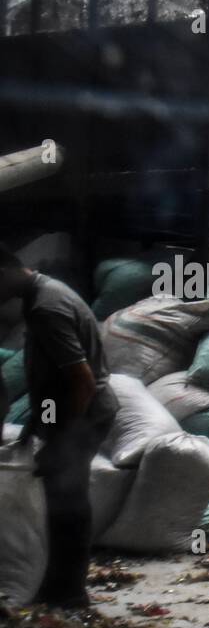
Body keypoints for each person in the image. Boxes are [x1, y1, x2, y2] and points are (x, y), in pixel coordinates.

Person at [0, 245, 118, 607]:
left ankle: (69, 591)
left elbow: (80, 381)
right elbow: (54, 378)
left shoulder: (46, 308)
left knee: (68, 501)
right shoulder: (45, 294)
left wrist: (61, 438)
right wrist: (39, 424)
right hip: (68, 411)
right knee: (60, 497)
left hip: (83, 413)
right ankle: (60, 582)